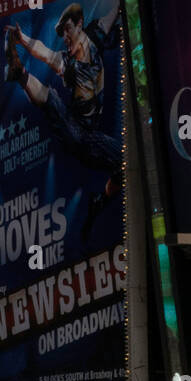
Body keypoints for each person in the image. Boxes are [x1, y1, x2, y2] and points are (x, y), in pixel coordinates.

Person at [4, 4, 123, 240]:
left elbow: (113, 14)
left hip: (90, 135)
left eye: (68, 30)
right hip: (77, 134)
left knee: (122, 163)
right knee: (53, 100)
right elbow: (47, 54)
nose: (65, 38)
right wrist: (23, 39)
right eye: (63, 34)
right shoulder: (68, 65)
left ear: (79, 24)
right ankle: (20, 74)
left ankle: (100, 201)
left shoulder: (95, 36)